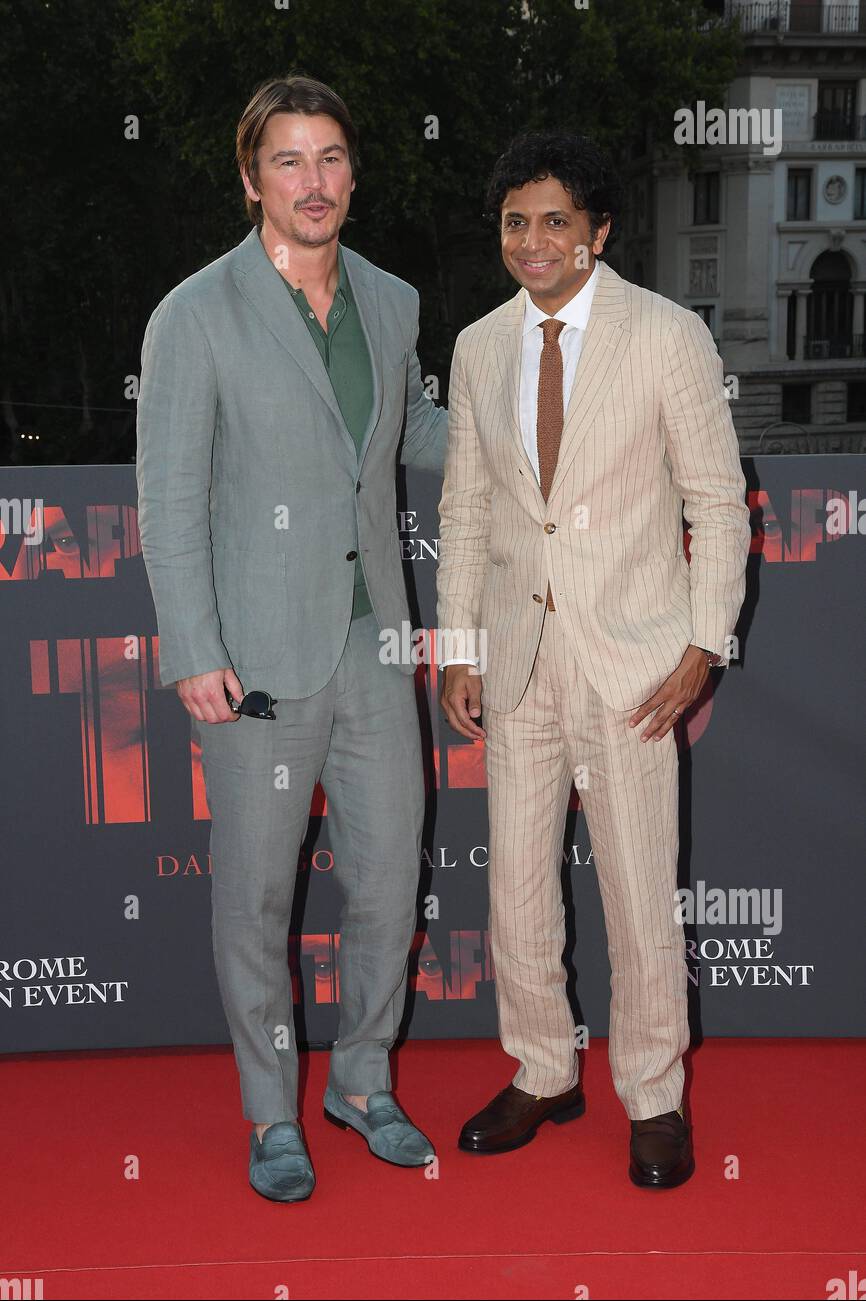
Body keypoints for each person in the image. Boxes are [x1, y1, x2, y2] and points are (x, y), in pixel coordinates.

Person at [136, 74, 447, 1202]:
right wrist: (192, 647)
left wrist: (531, 432)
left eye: (328, 158)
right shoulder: (194, 314)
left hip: (374, 645)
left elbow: (410, 426)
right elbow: (168, 500)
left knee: (384, 878)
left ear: (354, 173)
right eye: (287, 161)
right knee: (257, 899)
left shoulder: (391, 300)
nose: (311, 182)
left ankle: (360, 1081)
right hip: (257, 659)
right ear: (250, 177)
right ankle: (273, 1110)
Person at [436, 130, 750, 1188]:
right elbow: (467, 506)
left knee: (634, 890)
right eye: (515, 222)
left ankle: (652, 1096)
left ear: (597, 230)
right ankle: (540, 1070)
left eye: (554, 221)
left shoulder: (664, 335)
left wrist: (703, 645)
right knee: (515, 888)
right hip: (518, 655)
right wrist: (458, 648)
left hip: (631, 663)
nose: (532, 242)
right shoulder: (477, 346)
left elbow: (715, 502)